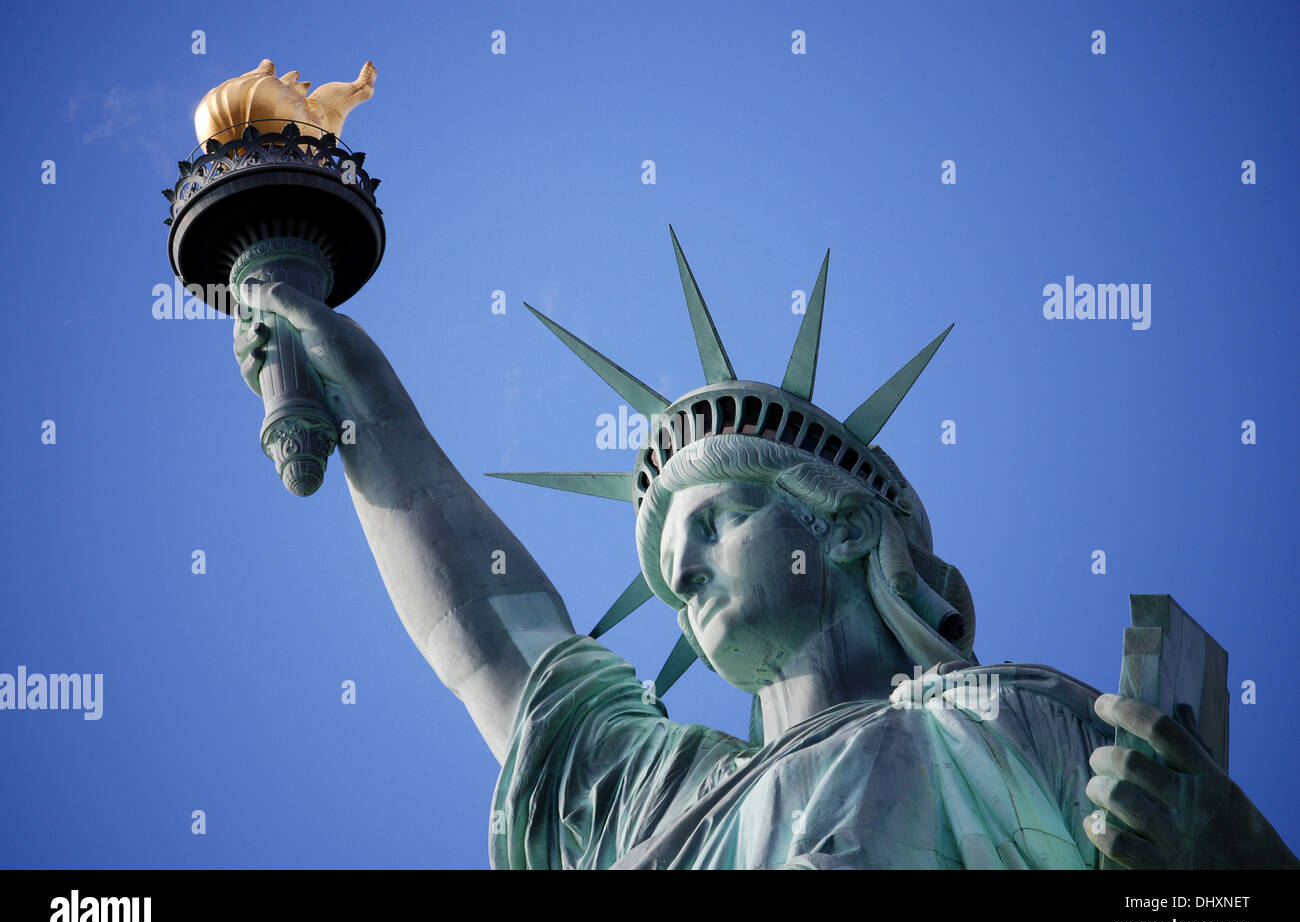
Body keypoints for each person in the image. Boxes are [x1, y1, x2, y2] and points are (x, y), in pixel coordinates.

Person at [231, 241, 1298, 870]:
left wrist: (1219, 867)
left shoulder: (1002, 725)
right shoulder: (665, 797)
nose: (682, 575)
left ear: (837, 528)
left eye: (714, 522)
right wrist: (360, 397)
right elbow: (485, 643)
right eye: (666, 567)